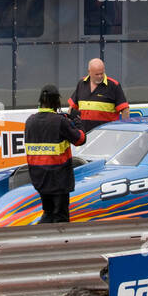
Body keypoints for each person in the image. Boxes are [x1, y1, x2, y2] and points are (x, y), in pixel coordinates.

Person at [25, 84, 88, 223]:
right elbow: (80, 139)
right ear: (57, 102)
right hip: (58, 179)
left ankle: (41, 240)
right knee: (60, 217)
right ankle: (59, 243)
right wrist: (78, 123)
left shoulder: (30, 121)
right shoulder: (60, 121)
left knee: (48, 213)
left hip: (39, 178)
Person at [69, 58, 130, 132]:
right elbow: (72, 108)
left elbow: (125, 110)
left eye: (102, 73)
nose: (100, 76)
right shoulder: (81, 83)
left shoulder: (114, 85)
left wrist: (123, 131)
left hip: (105, 135)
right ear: (89, 72)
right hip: (84, 135)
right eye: (97, 74)